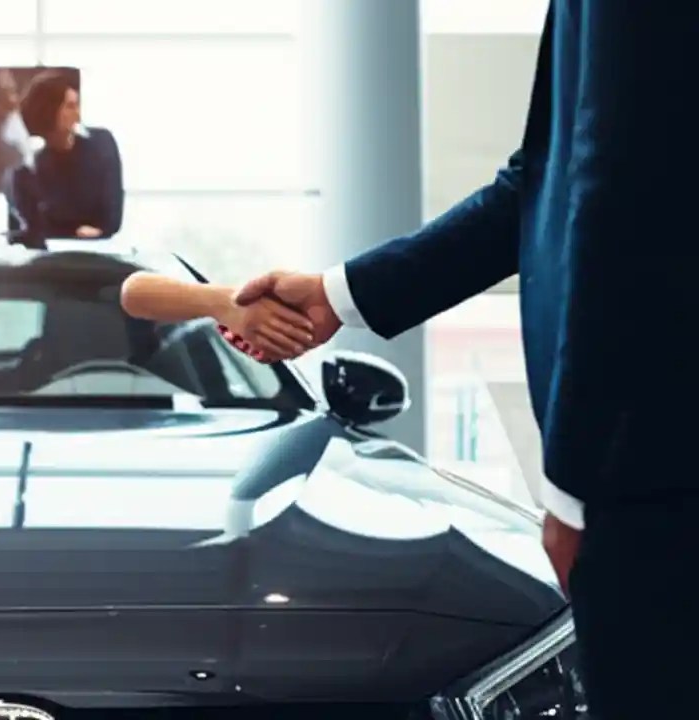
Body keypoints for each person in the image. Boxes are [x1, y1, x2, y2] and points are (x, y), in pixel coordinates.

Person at [225, 5, 696, 717]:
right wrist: (337, 293)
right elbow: (541, 184)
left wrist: (579, 489)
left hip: (655, 483)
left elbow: (616, 199)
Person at [4, 70, 124, 248]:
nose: (77, 114)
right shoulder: (30, 167)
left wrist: (97, 231)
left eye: (77, 105)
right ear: (49, 112)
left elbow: (112, 216)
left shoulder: (101, 144)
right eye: (69, 106)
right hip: (52, 258)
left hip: (97, 252)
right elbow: (28, 231)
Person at [119, 271, 314, 362]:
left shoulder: (190, 347)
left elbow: (133, 291)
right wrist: (229, 304)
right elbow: (132, 291)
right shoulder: (182, 352)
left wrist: (228, 305)